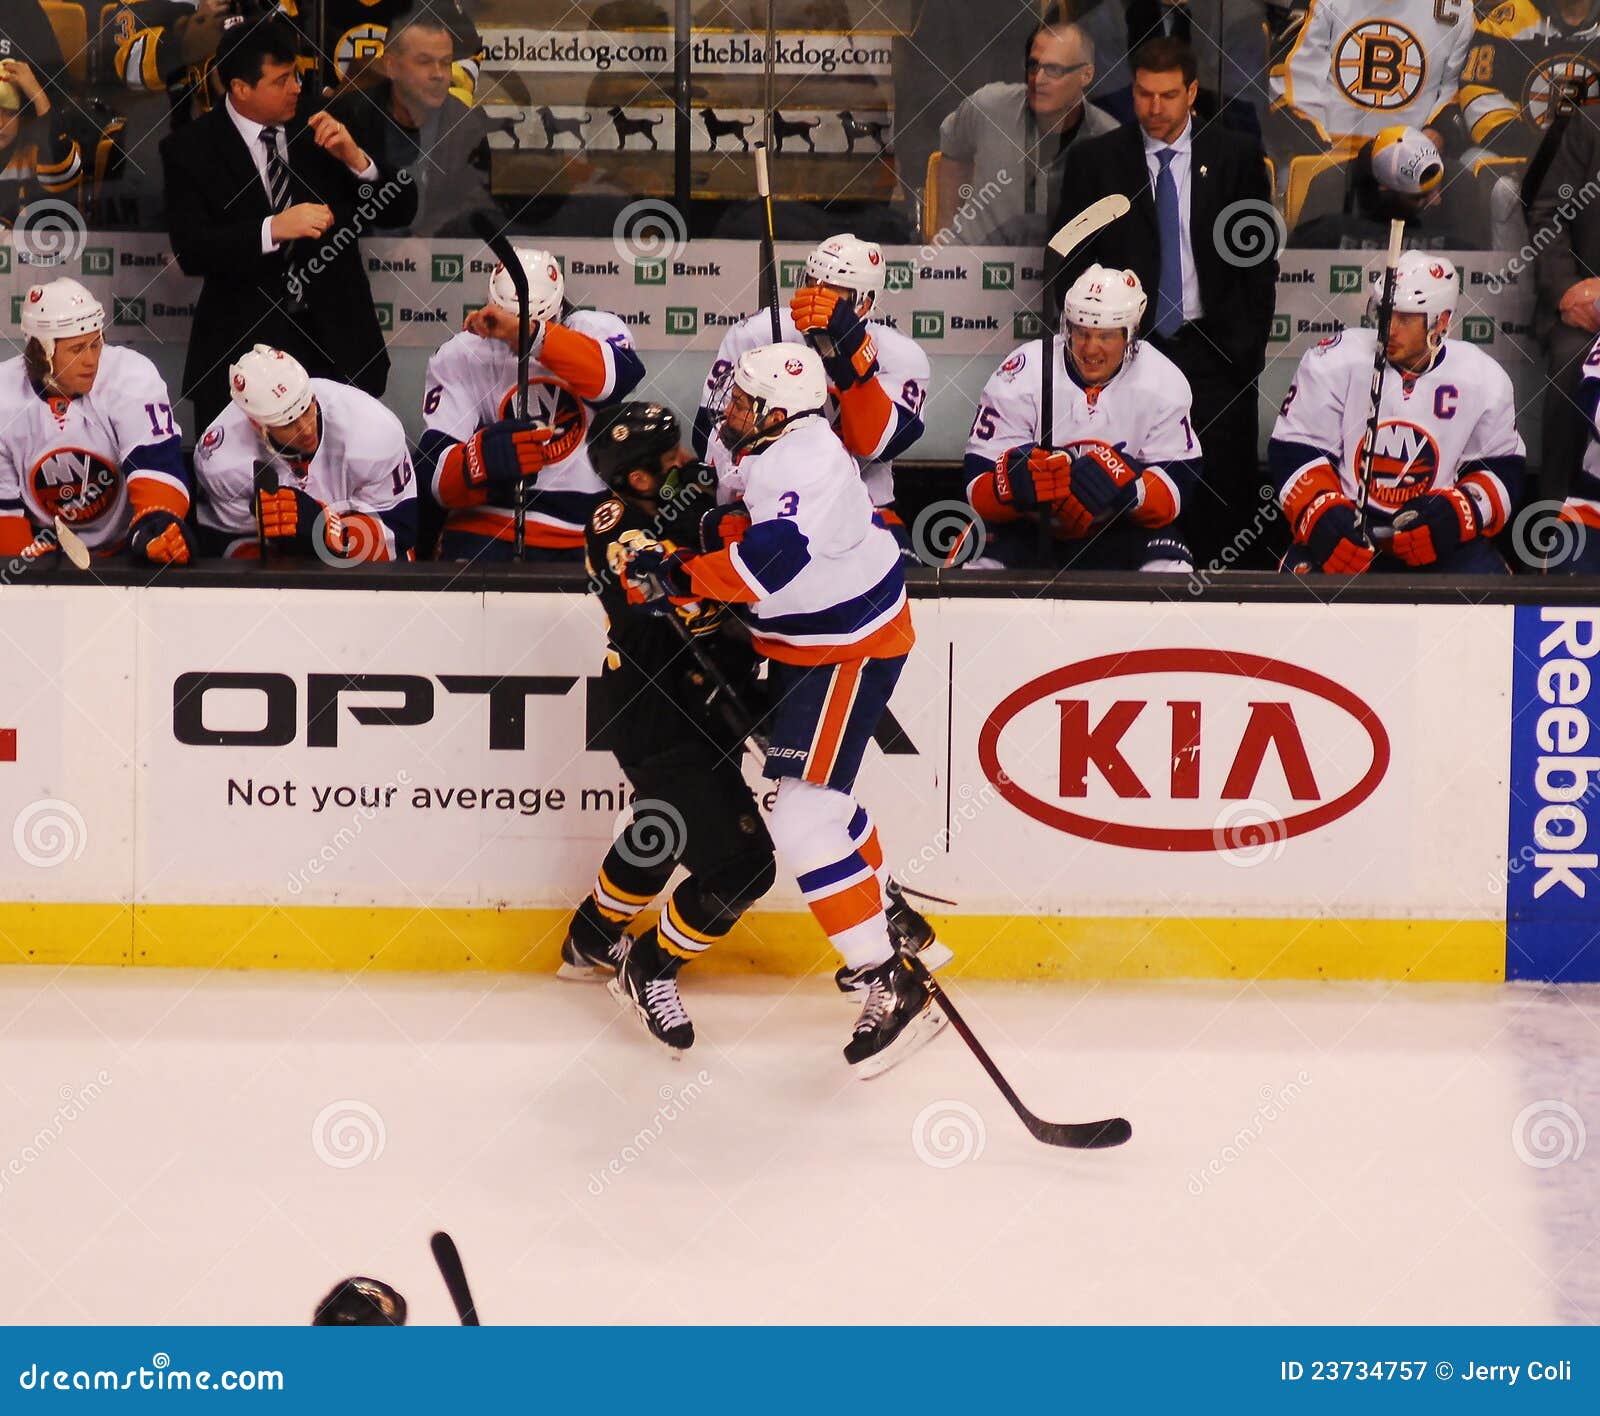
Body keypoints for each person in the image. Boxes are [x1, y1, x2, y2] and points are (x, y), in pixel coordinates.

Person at [617, 345, 948, 1078]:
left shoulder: (804, 459)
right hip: (809, 644)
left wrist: (676, 575)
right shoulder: (756, 442)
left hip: (846, 647)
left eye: (742, 403)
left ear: (777, 415)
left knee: (801, 815)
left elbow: (769, 562)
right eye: (733, 398)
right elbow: (743, 522)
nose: (726, 411)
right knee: (819, 804)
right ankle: (882, 904)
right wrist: (711, 538)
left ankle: (887, 978)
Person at [559, 403, 777, 1052]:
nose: (685, 461)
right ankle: (650, 963)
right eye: (671, 458)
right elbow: (655, 577)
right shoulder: (612, 520)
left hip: (706, 698)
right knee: (744, 869)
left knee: (664, 828)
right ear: (640, 480)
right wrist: (717, 535)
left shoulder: (683, 496)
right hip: (659, 711)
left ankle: (592, 937)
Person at [1053, 36, 1276, 570]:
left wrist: (1243, 355)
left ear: (1192, 92)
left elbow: (1257, 264)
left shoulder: (1237, 156)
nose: (1155, 108)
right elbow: (1066, 261)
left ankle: (1220, 626)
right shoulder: (1096, 163)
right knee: (1134, 489)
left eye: (1169, 95)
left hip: (1215, 353)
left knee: (1222, 496)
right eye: (1144, 94)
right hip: (1128, 354)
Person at [160, 12, 415, 431]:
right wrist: (272, 228)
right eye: (281, 80)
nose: (296, 87)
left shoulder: (326, 120)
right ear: (240, 88)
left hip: (339, 346)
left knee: (344, 480)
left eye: (296, 75)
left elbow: (400, 210)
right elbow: (193, 249)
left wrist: (357, 160)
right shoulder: (189, 149)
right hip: (243, 349)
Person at [1268, 252, 1525, 574]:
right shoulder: (1333, 360)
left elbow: (1502, 469)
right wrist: (1322, 513)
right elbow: (1294, 448)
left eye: (1405, 319)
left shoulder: (1485, 378)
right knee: (1298, 600)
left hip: (1433, 532)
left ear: (1441, 322)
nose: (1389, 329)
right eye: (1386, 314)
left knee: (1490, 602)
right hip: (1351, 526)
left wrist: (1457, 513)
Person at [693, 234, 930, 555]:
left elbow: (878, 445)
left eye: (833, 294)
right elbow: (708, 429)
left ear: (865, 301)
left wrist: (853, 364)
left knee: (904, 579)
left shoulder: (900, 356)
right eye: (812, 285)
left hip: (859, 509)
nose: (817, 300)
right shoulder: (758, 332)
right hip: (759, 503)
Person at [964, 265, 1200, 571]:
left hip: (1119, 530)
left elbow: (1179, 487)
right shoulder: (1023, 371)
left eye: (1105, 336)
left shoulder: (1163, 381)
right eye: (1081, 332)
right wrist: (1012, 485)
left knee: (1172, 571)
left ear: (1131, 334)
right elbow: (975, 480)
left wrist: (1130, 492)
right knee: (979, 568)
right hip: (1030, 529)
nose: (1090, 349)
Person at [421, 248, 645, 562]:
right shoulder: (463, 353)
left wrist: (527, 333)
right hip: (488, 530)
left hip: (589, 529)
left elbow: (617, 380)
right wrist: (480, 459)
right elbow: (433, 477)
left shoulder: (593, 329)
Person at [0, 278, 192, 568]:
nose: (92, 360)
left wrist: (156, 530)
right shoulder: (4, 393)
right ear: (42, 351)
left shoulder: (130, 375)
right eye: (77, 349)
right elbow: (4, 510)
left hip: (125, 551)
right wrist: (22, 559)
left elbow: (158, 466)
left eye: (96, 344)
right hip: (44, 551)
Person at [192, 344, 417, 561]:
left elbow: (399, 536)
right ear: (255, 423)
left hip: (365, 574)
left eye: (307, 408)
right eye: (287, 423)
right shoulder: (221, 459)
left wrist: (329, 531)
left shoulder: (373, 429)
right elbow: (228, 547)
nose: (307, 429)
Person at [934, 14, 1118, 246]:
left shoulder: (1109, 139)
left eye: (1053, 70)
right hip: (977, 267)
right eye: (1033, 65)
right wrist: (945, 239)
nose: (1038, 79)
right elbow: (953, 148)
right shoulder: (987, 108)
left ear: (1086, 75)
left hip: (1060, 274)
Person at [324, 9, 490, 237]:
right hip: (360, 258)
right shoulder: (350, 117)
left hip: (437, 261)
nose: (439, 74)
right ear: (392, 65)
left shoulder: (466, 126)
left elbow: (474, 209)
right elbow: (332, 204)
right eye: (425, 62)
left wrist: (425, 241)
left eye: (445, 62)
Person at [1267, 0, 1471, 157]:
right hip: (1326, 158)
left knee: (1459, 185)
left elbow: (1455, 93)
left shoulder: (1457, 8)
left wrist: (1437, 134)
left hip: (1411, 165)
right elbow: (1289, 83)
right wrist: (1319, 152)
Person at [1531, 98, 1600, 505]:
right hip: (1589, 310)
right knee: (1574, 360)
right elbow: (1548, 215)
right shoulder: (1591, 123)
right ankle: (1552, 536)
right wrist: (1565, 290)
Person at [1288, 124, 1475, 249]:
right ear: (1385, 190)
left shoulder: (1457, 236)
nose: (1437, 200)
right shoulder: (1326, 234)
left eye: (1437, 188)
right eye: (1418, 196)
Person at [0, 59, 82, 226]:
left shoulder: (33, 151)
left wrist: (38, 97)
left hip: (34, 249)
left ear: (22, 116)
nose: (0, 124)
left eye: (9, 113)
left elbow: (65, 175)